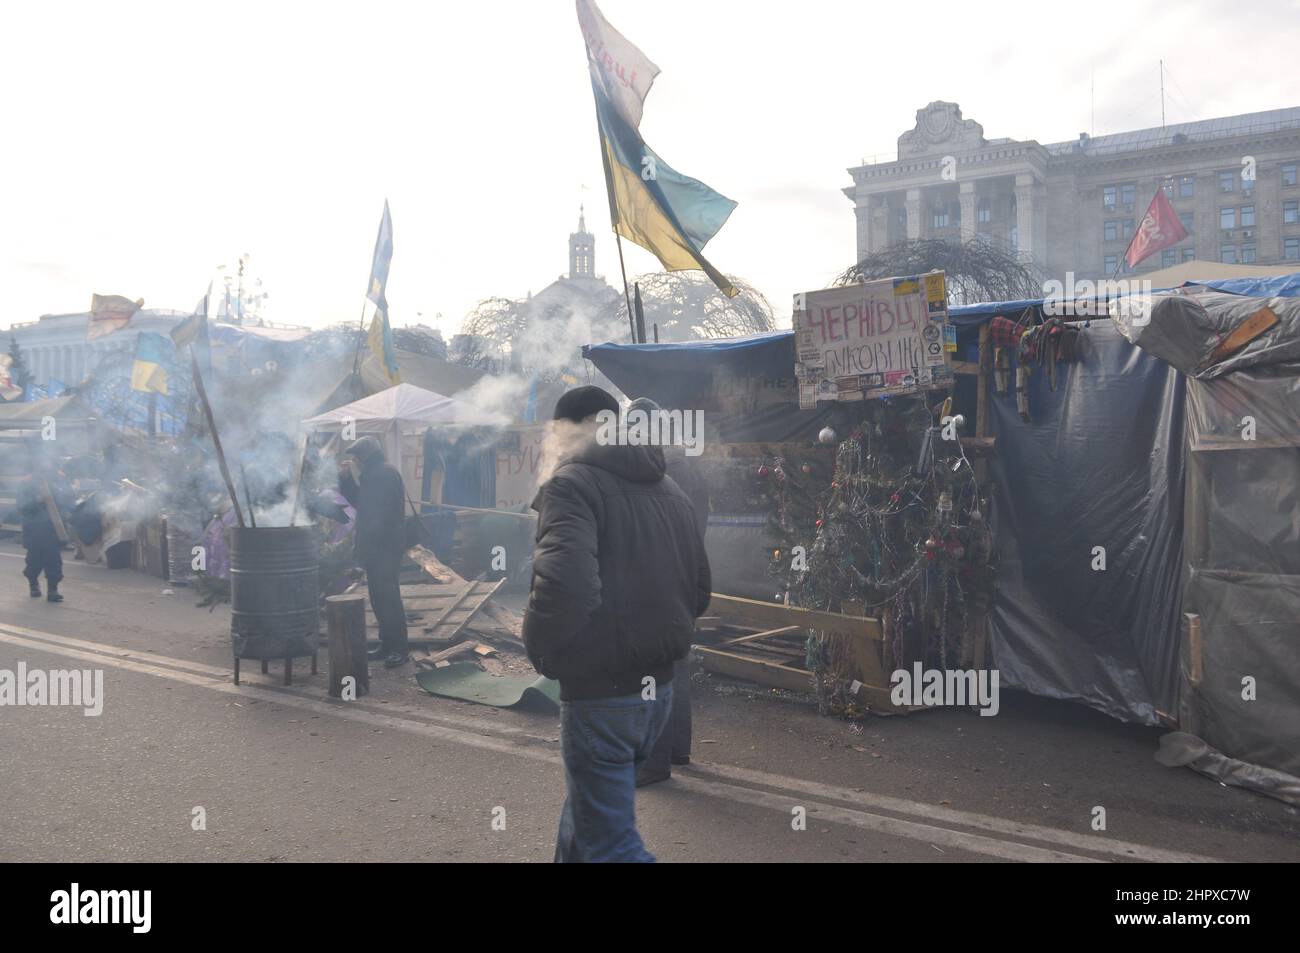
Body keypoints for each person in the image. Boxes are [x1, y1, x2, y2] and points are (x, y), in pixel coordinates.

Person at [523, 385, 711, 863]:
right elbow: (699, 589)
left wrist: (541, 649)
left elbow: (567, 585)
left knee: (610, 844)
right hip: (658, 691)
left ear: (572, 428)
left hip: (603, 691)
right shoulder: (669, 488)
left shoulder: (571, 484)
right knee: (588, 815)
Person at [634, 400, 710, 787]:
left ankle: (654, 761)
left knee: (655, 669)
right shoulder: (686, 466)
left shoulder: (660, 473)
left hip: (661, 582)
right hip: (685, 576)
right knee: (676, 665)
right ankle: (678, 748)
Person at [338, 436, 409, 668]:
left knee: (388, 597)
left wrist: (367, 547)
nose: (355, 461)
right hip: (377, 546)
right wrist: (347, 481)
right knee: (379, 597)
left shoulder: (384, 474)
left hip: (385, 546)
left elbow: (381, 516)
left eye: (357, 457)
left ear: (366, 456)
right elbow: (362, 503)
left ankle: (399, 648)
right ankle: (387, 644)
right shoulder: (374, 473)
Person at [19, 464, 69, 603]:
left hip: (53, 527)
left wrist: (64, 502)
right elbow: (21, 506)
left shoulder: (60, 478)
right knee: (34, 560)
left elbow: (70, 497)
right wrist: (37, 500)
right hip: (34, 527)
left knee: (54, 558)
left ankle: (53, 590)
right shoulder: (27, 482)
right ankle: (33, 583)